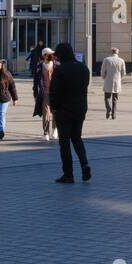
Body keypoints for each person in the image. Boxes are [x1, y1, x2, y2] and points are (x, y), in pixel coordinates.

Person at [48, 42, 91, 184]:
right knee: (77, 138)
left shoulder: (60, 70)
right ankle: (85, 165)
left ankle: (68, 174)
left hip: (63, 110)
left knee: (65, 142)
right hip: (80, 109)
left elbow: (54, 92)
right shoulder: (83, 68)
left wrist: (54, 108)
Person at [33, 48, 57, 142]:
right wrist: (35, 93)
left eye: (52, 54)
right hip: (45, 93)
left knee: (55, 111)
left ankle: (55, 129)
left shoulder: (56, 65)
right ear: (44, 55)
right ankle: (46, 132)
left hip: (55, 92)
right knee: (46, 112)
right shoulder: (39, 66)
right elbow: (35, 82)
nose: (51, 55)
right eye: (49, 54)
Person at [100, 47, 126, 120]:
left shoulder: (106, 60)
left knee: (107, 97)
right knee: (115, 99)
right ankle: (114, 114)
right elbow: (123, 72)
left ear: (111, 52)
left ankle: (108, 108)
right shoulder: (121, 60)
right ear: (117, 52)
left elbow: (102, 71)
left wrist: (104, 77)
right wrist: (120, 78)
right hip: (117, 81)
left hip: (108, 80)